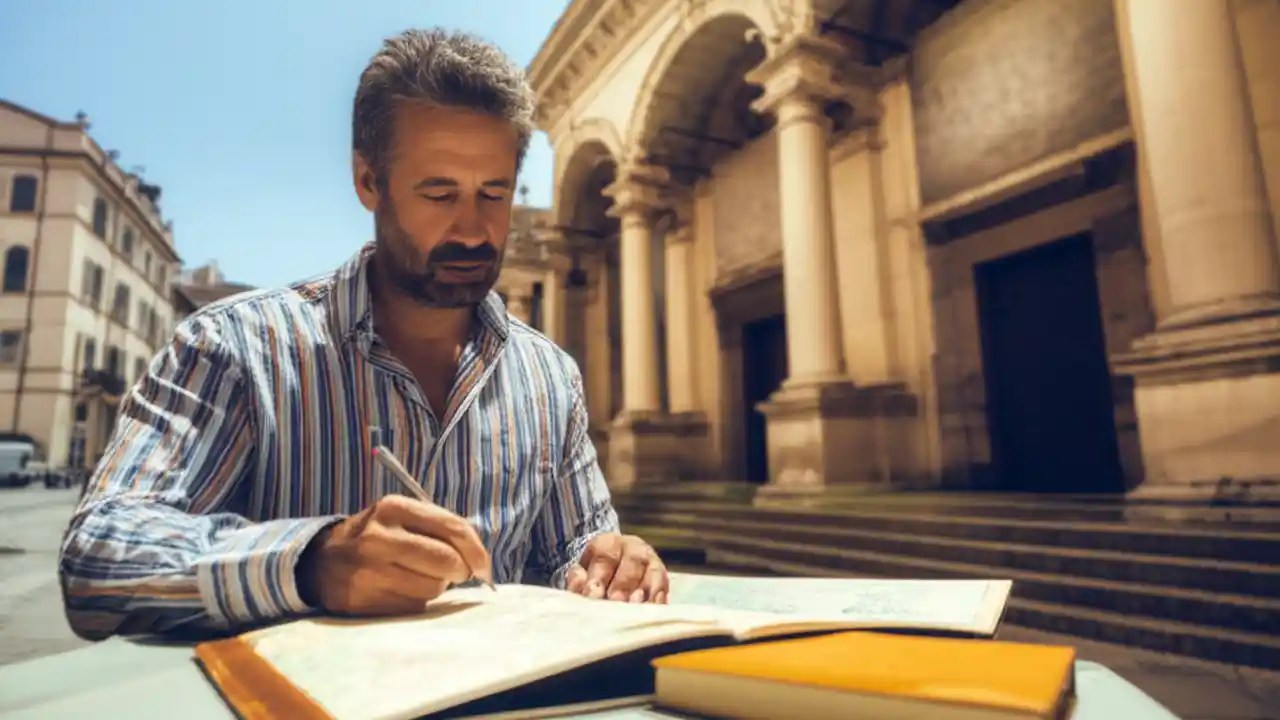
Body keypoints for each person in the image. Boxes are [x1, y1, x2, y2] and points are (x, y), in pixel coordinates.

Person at [58, 28, 668, 641]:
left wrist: (608, 565)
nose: (474, 228)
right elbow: (97, 558)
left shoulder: (551, 378)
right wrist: (309, 562)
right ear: (368, 181)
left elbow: (576, 548)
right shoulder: (233, 348)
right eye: (438, 192)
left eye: (494, 193)